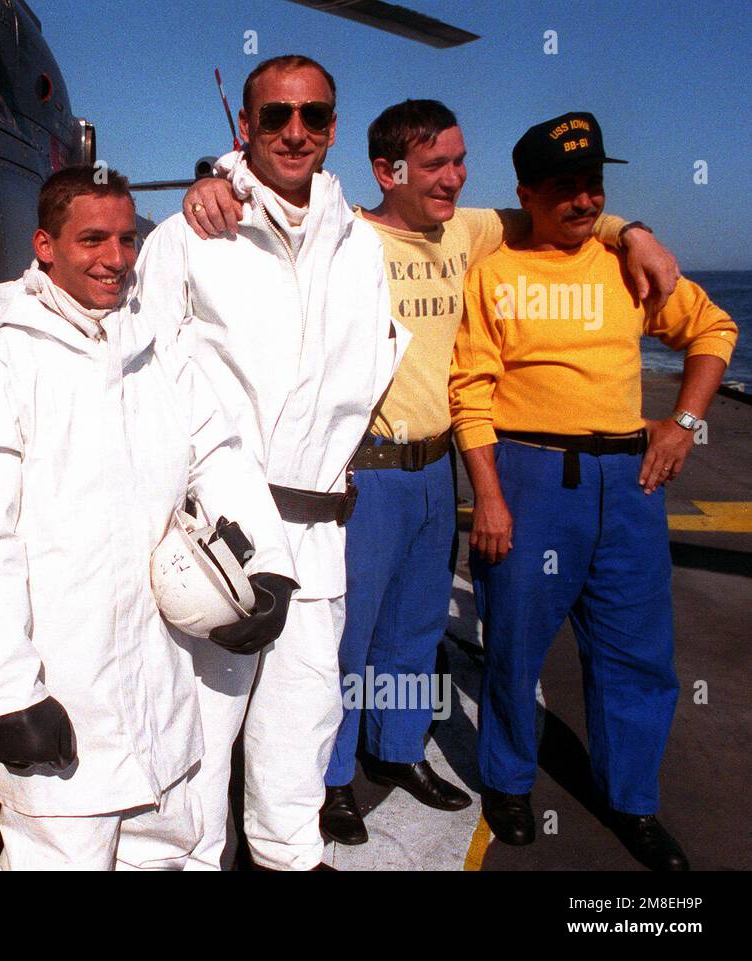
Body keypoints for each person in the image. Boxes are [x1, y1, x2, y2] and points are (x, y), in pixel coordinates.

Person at [184, 98, 681, 845]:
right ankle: (331, 776)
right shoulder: (344, 230)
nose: (457, 177)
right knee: (345, 637)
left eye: (460, 160)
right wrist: (216, 178)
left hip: (435, 463)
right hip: (366, 471)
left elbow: (561, 212)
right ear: (389, 171)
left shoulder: (469, 229)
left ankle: (398, 747)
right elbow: (281, 196)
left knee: (416, 631)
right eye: (439, 165)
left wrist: (631, 231)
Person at [0, 166, 299, 870]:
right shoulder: (1, 371)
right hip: (61, 697)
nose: (115, 259)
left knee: (166, 855)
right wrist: (12, 692)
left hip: (161, 691)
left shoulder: (160, 353)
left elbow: (220, 456)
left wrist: (269, 566)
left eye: (128, 239)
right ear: (45, 245)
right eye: (92, 239)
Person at [134, 55, 407, 870]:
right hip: (221, 536)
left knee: (302, 725)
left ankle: (290, 857)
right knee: (195, 737)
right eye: (276, 116)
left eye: (314, 116)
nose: (296, 132)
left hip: (320, 527)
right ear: (243, 127)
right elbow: (147, 383)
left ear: (333, 128)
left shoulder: (361, 245)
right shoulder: (189, 237)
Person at [450, 111, 737, 871]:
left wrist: (681, 423)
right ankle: (509, 781)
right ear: (526, 193)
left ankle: (632, 802)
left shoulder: (628, 264)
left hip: (628, 481)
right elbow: (470, 393)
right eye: (562, 188)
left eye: (592, 187)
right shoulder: (496, 274)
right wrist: (492, 498)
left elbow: (713, 333)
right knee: (512, 644)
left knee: (637, 653)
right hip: (531, 476)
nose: (581, 201)